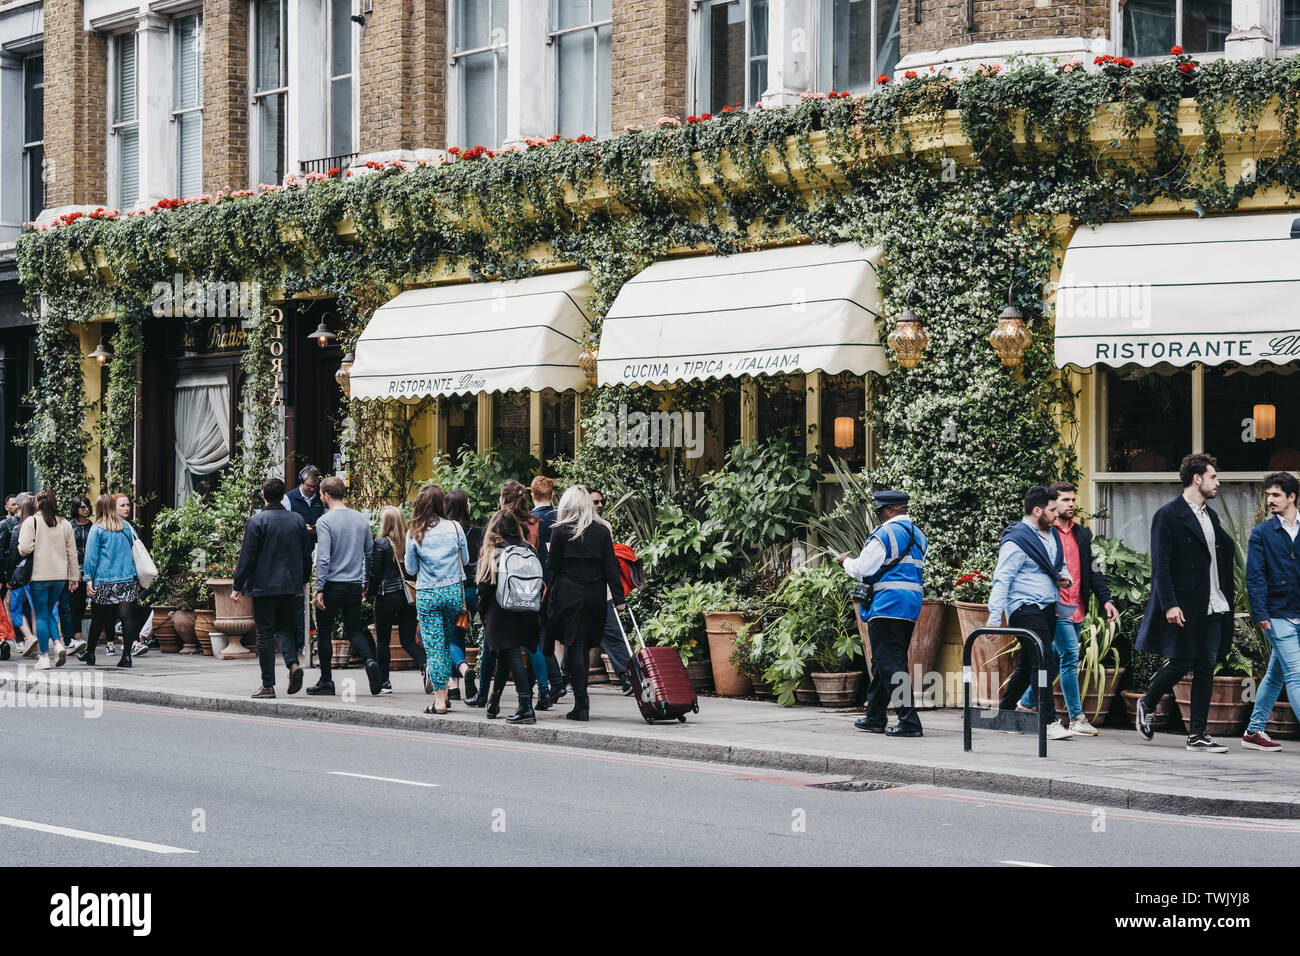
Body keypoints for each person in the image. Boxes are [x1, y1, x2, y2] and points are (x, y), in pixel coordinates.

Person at [1135, 453, 1235, 753]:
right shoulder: (1168, 514)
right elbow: (1161, 564)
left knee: (1206, 667)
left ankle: (1197, 735)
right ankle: (1148, 701)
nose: (1217, 482)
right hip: (1187, 604)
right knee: (1182, 662)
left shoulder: (1211, 516)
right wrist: (1169, 603)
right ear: (1197, 478)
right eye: (1213, 477)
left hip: (1215, 603)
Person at [1014, 481, 1118, 735]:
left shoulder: (1082, 534)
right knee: (1071, 657)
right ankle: (1076, 718)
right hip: (1055, 607)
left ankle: (1026, 703)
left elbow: (1093, 571)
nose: (1071, 504)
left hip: (1078, 606)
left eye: (1073, 500)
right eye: (1065, 500)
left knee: (1057, 659)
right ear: (1052, 503)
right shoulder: (1045, 534)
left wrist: (1106, 599)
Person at [986, 485, 1077, 741]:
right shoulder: (1017, 541)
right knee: (1044, 659)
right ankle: (1047, 721)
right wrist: (995, 618)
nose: (1056, 514)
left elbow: (1059, 565)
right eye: (1051, 510)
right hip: (1024, 608)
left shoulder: (1052, 535)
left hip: (1047, 607)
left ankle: (1003, 714)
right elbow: (1001, 579)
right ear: (1037, 510)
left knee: (1028, 664)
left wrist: (1064, 579)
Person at [837, 490, 929, 737]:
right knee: (882, 662)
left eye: (879, 511)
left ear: (890, 509)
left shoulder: (885, 534)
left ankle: (909, 722)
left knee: (891, 663)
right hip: (909, 605)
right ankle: (874, 717)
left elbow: (864, 568)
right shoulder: (919, 535)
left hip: (887, 604)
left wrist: (845, 562)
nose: (878, 516)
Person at [544, 485, 625, 721]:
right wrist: (619, 599)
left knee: (574, 647)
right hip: (595, 596)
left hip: (569, 595)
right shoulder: (601, 531)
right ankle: (582, 702)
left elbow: (553, 565)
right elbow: (611, 567)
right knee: (586, 647)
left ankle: (582, 704)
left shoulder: (560, 531)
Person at [232, 477, 313, 699]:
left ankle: (268, 685)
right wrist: (304, 580)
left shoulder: (257, 521)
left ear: (264, 496)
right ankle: (293, 664)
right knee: (285, 627)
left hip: (263, 586)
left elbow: (247, 557)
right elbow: (306, 554)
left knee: (265, 633)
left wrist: (237, 585)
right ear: (283, 496)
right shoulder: (297, 520)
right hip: (289, 585)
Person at [1240, 471, 1300, 751]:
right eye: (1268, 495)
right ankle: (1254, 731)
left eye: (1276, 495)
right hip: (1277, 615)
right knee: (1296, 675)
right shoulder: (1263, 533)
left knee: (1276, 674)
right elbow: (1254, 577)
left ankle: (1254, 731)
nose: (1270, 500)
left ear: (1292, 497)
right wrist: (1261, 612)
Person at [307, 476, 379, 696]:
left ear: (326, 495)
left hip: (331, 584)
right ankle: (369, 660)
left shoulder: (325, 521)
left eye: (320, 494)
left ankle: (326, 681)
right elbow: (370, 552)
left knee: (325, 631)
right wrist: (365, 581)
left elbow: (324, 558)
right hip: (354, 584)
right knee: (354, 630)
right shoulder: (360, 519)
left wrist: (319, 587)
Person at [405, 483, 469, 716]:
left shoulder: (414, 532)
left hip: (428, 593)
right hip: (453, 592)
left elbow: (411, 569)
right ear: (441, 503)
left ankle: (441, 700)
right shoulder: (454, 527)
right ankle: (455, 679)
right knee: (448, 641)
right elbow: (466, 560)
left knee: (434, 647)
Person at [476, 508, 542, 723]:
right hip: (526, 609)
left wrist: (483, 614)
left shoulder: (494, 551)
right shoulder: (528, 549)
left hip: (500, 612)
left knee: (512, 656)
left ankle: (525, 706)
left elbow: (484, 588)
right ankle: (493, 703)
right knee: (505, 658)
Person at [494, 479, 555, 708]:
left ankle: (490, 696)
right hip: (531, 587)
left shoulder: (501, 522)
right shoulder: (534, 522)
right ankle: (544, 689)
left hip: (507, 588)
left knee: (504, 645)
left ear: (503, 499)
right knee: (532, 643)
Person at [16, 489, 79, 670]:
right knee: (49, 610)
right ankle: (58, 644)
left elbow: (25, 548)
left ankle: (44, 656)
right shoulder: (64, 523)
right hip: (59, 577)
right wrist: (73, 577)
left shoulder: (32, 521)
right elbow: (71, 553)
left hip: (39, 576)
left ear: (37, 503)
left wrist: (22, 548)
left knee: (41, 615)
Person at [82, 494, 144, 668]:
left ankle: (91, 653)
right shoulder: (126, 527)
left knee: (98, 618)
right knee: (126, 617)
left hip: (104, 580)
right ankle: (126, 657)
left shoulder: (97, 529)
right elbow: (136, 552)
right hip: (126, 578)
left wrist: (88, 580)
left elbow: (91, 558)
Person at [369, 506, 424, 694]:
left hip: (386, 596)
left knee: (382, 641)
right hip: (408, 596)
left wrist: (369, 593)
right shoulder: (409, 542)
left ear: (385, 523)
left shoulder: (381, 544)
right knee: (408, 640)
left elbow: (375, 574)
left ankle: (385, 683)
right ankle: (426, 667)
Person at [590, 488, 634, 694]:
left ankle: (628, 677)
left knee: (613, 634)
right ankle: (565, 677)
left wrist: (618, 597)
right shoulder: (572, 526)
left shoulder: (604, 527)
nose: (600, 505)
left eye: (601, 501)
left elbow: (610, 565)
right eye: (595, 502)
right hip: (585, 593)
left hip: (602, 592)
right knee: (579, 638)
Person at [443, 489, 481, 701]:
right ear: (465, 506)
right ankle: (454, 686)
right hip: (473, 591)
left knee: (451, 636)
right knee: (459, 635)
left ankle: (465, 670)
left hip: (453, 590)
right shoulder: (479, 532)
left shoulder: (445, 532)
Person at [284, 465, 325, 652]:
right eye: (309, 486)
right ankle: (302, 640)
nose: (312, 489)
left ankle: (312, 638)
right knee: (300, 599)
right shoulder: (290, 498)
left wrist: (316, 529)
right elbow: (285, 523)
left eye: (315, 487)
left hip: (317, 551)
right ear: (302, 481)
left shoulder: (320, 499)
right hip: (298, 552)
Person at [60, 495, 93, 656]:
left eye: (87, 506)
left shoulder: (93, 527)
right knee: (76, 606)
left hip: (90, 571)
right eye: (82, 507)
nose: (86, 509)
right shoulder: (69, 526)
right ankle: (78, 639)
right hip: (74, 571)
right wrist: (72, 572)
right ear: (76, 509)